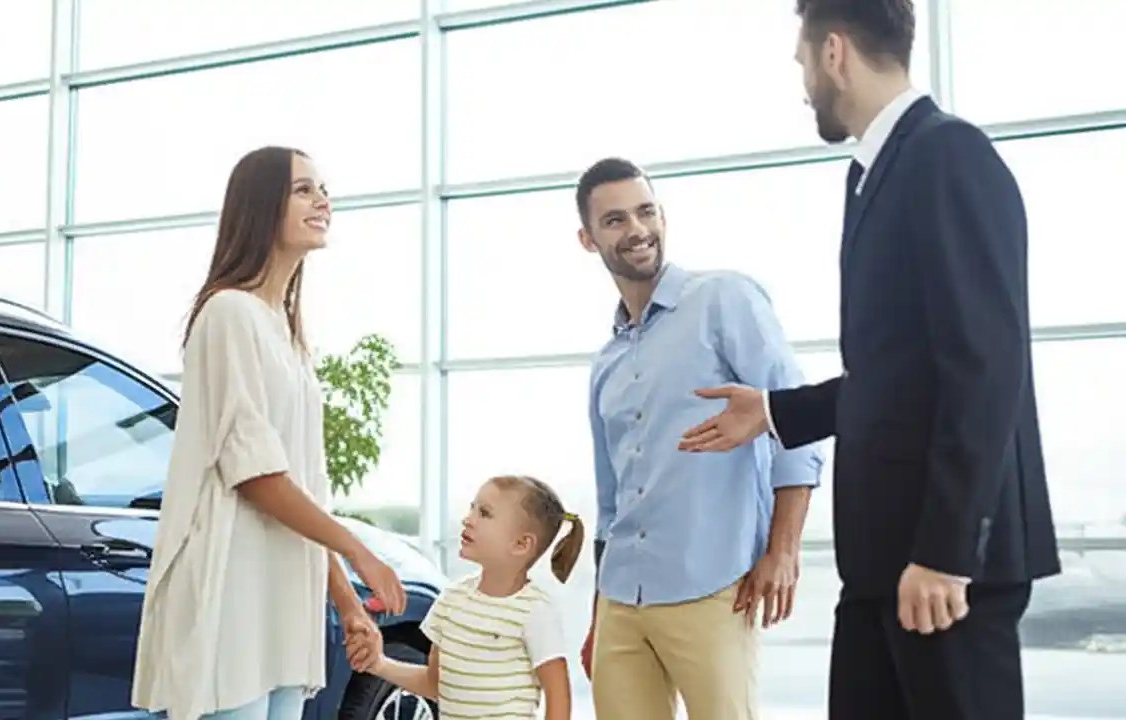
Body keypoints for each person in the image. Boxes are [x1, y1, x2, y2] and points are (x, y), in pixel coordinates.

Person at [680, 2, 1061, 719]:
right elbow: (901, 374)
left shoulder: (948, 156)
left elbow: (986, 366)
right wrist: (771, 411)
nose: (801, 83)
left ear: (833, 53)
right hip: (884, 561)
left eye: (800, 62)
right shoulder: (876, 173)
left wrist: (947, 551)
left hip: (939, 565)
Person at [130, 146, 408, 720]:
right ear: (261, 206)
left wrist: (346, 600)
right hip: (233, 594)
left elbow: (298, 487)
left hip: (280, 603)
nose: (322, 200)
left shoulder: (286, 334)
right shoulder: (228, 315)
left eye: (324, 189)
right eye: (304, 189)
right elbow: (254, 473)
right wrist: (358, 550)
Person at [576, 157, 825, 720]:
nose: (637, 229)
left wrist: (783, 550)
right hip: (621, 598)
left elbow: (797, 423)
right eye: (614, 220)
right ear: (588, 239)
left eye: (646, 211)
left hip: (712, 587)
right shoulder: (606, 364)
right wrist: (597, 615)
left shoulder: (724, 300)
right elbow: (611, 501)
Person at [344, 475, 578, 720]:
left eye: (485, 513)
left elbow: (558, 696)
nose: (468, 520)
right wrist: (379, 664)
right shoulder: (451, 600)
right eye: (472, 508)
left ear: (521, 544)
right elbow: (434, 685)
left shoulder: (535, 610)